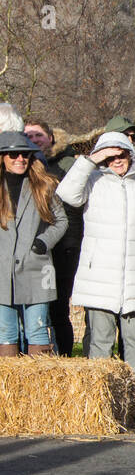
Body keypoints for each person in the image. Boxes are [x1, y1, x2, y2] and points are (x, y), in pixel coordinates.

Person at [55, 132, 135, 379]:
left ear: (130, 155)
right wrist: (93, 159)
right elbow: (66, 193)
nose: (117, 161)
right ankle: (98, 394)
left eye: (121, 155)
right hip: (98, 277)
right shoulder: (92, 181)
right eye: (110, 157)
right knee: (100, 340)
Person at [0, 131, 67, 356]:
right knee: (5, 333)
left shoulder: (43, 185)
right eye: (14, 155)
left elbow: (61, 221)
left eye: (25, 154)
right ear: (2, 158)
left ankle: (41, 388)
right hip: (2, 271)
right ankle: (8, 389)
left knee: (38, 330)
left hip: (37, 268)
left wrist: (42, 242)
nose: (20, 159)